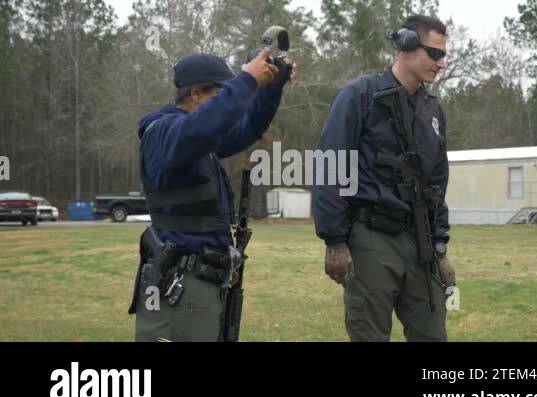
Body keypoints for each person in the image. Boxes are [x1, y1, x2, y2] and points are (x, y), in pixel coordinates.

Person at [130, 49, 296, 342]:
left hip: (200, 285)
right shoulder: (164, 133)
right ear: (196, 94)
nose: (228, 105)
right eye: (221, 94)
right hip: (177, 290)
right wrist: (246, 79)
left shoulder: (195, 139)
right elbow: (205, 126)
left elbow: (249, 127)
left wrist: (270, 88)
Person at [313, 15, 455, 342]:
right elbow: (330, 167)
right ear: (406, 45)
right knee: (370, 336)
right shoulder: (359, 95)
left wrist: (441, 244)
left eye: (444, 55)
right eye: (434, 54)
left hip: (420, 241)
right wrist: (334, 240)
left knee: (433, 334)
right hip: (372, 237)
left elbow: (437, 182)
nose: (442, 64)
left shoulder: (433, 110)